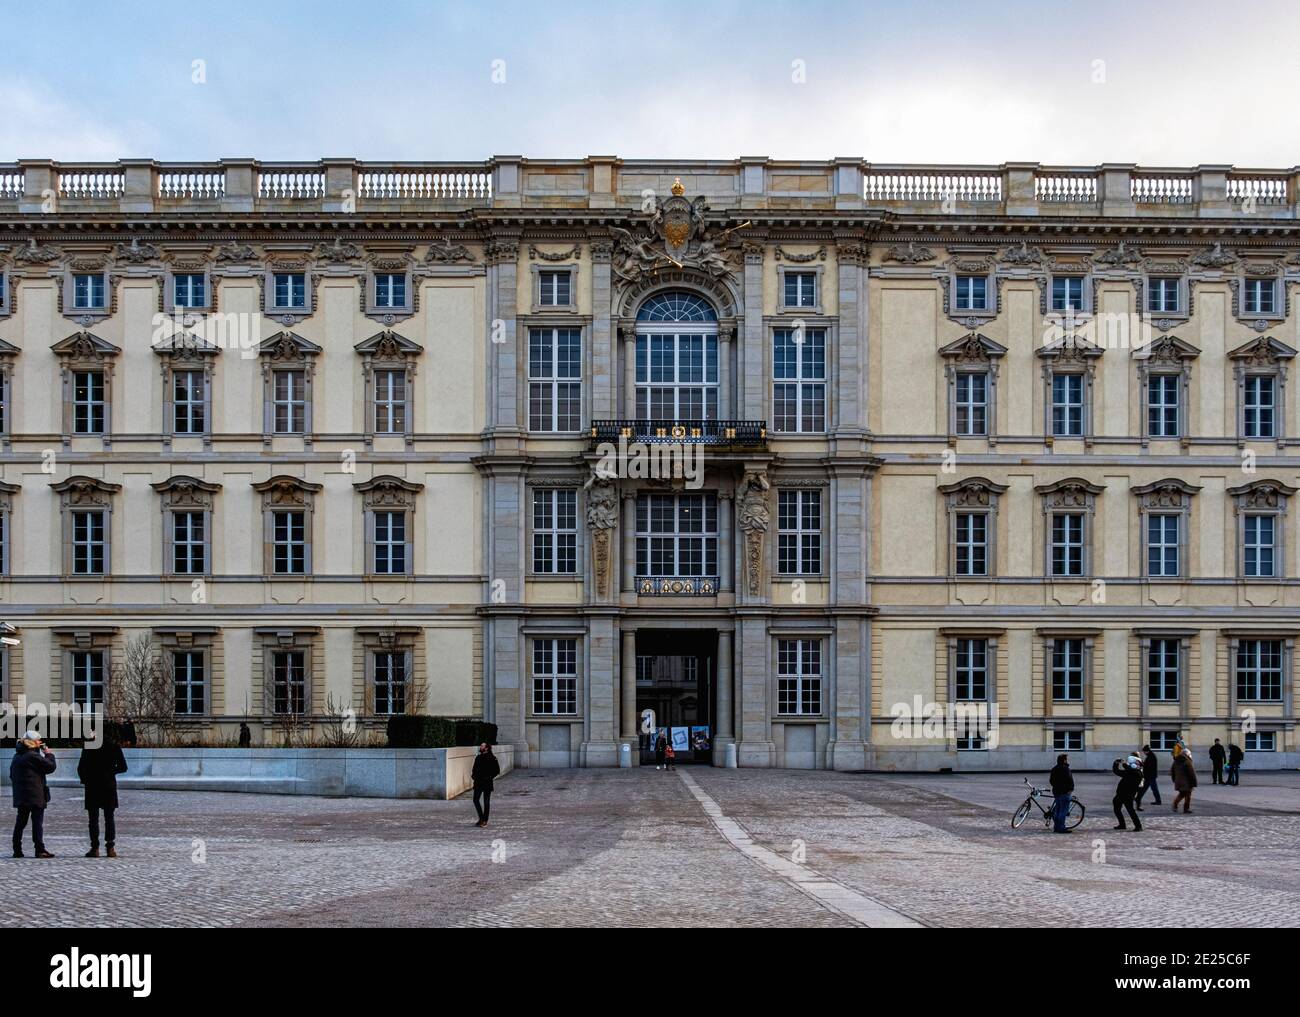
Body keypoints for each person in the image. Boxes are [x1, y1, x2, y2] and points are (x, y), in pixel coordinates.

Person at [77, 730, 128, 858]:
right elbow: (123, 767)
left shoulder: (89, 746)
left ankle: (95, 848)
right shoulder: (114, 746)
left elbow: (81, 767)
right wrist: (110, 772)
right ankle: (110, 847)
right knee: (109, 818)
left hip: (92, 785)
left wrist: (85, 779)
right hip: (108, 785)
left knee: (93, 819)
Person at [10, 730, 57, 859]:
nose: (40, 743)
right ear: (33, 742)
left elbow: (11, 775)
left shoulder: (17, 755)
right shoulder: (32, 756)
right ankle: (40, 849)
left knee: (20, 822)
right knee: (37, 823)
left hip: (21, 795)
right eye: (38, 741)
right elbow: (50, 767)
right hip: (35, 794)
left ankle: (17, 849)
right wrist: (48, 754)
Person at [470, 743, 500, 829]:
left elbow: (497, 770)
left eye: (482, 746)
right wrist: (474, 776)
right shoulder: (478, 757)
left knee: (486, 802)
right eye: (481, 745)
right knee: (475, 800)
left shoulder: (493, 758)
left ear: (487, 748)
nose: (480, 747)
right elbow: (474, 769)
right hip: (478, 782)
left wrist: (490, 777)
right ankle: (481, 818)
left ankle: (484, 820)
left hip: (487, 783)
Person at [1112, 755, 1143, 831]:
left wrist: (1125, 765)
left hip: (1128, 795)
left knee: (1131, 810)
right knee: (1116, 808)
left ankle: (1138, 826)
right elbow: (1117, 771)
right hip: (1120, 794)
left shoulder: (1138, 773)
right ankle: (1122, 824)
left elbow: (1131, 772)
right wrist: (1116, 763)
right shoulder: (1129, 771)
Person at [1049, 753, 1074, 834]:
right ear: (1064, 760)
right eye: (1066, 759)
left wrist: (1056, 787)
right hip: (1065, 792)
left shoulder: (1054, 769)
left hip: (1056, 792)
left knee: (1057, 810)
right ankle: (1061, 828)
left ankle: (1056, 826)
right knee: (1063, 811)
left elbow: (1051, 781)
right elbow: (1070, 780)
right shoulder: (1066, 769)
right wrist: (1070, 789)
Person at [1171, 746, 1198, 814]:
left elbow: (1172, 771)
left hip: (1179, 781)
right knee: (1188, 795)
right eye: (1189, 754)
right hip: (1187, 782)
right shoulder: (1187, 761)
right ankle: (1185, 809)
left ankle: (1175, 805)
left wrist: (1174, 779)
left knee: (1182, 794)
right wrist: (1194, 782)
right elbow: (1191, 773)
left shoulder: (1176, 760)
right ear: (1187, 754)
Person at [1135, 745, 1161, 809]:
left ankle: (1138, 799)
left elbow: (1148, 766)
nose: (1144, 753)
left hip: (1149, 776)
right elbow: (1148, 765)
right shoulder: (1151, 756)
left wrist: (1142, 764)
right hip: (1151, 775)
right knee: (1154, 788)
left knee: (1144, 788)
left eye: (1144, 751)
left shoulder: (1151, 757)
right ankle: (1158, 800)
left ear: (1147, 751)